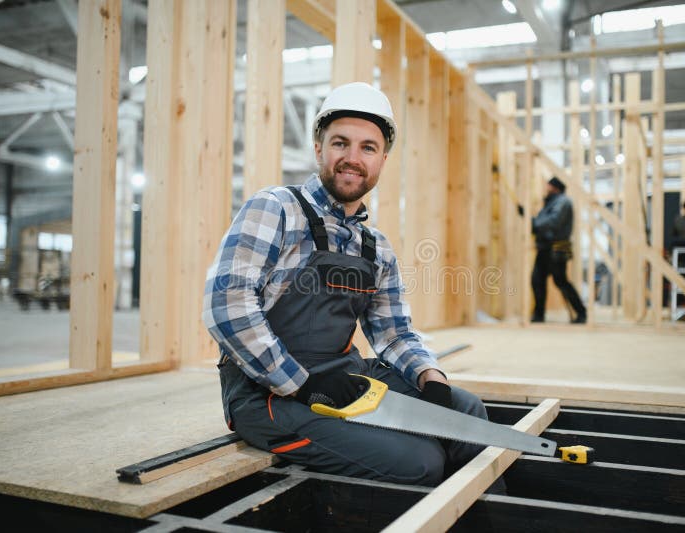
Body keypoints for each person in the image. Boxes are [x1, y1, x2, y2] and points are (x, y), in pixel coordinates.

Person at [202, 82, 491, 487]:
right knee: (421, 462)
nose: (353, 158)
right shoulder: (276, 208)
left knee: (466, 413)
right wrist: (299, 382)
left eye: (367, 148)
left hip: (342, 377)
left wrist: (430, 376)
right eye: (341, 143)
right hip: (265, 393)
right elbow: (227, 306)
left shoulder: (376, 247)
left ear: (382, 160)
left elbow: (394, 333)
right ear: (319, 149)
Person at [524, 177, 586, 324]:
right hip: (545, 248)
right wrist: (529, 219)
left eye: (548, 186)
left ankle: (581, 313)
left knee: (561, 281)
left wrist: (533, 222)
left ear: (555, 187)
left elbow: (553, 221)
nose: (546, 188)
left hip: (557, 247)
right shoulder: (551, 202)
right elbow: (542, 222)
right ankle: (538, 315)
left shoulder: (563, 202)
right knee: (537, 280)